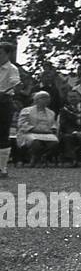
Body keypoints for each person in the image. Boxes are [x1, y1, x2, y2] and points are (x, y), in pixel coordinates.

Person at [16, 91, 60, 167]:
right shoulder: (26, 110)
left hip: (47, 133)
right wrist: (34, 129)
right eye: (43, 98)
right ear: (36, 100)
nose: (46, 100)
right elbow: (22, 124)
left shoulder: (51, 112)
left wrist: (53, 129)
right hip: (30, 132)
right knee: (36, 143)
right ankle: (36, 159)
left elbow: (54, 124)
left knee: (54, 142)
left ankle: (43, 158)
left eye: (48, 98)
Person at [0, 42, 20, 178]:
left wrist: (9, 90)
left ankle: (2, 168)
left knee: (2, 135)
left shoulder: (12, 69)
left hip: (3, 102)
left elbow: (16, 84)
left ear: (8, 54)